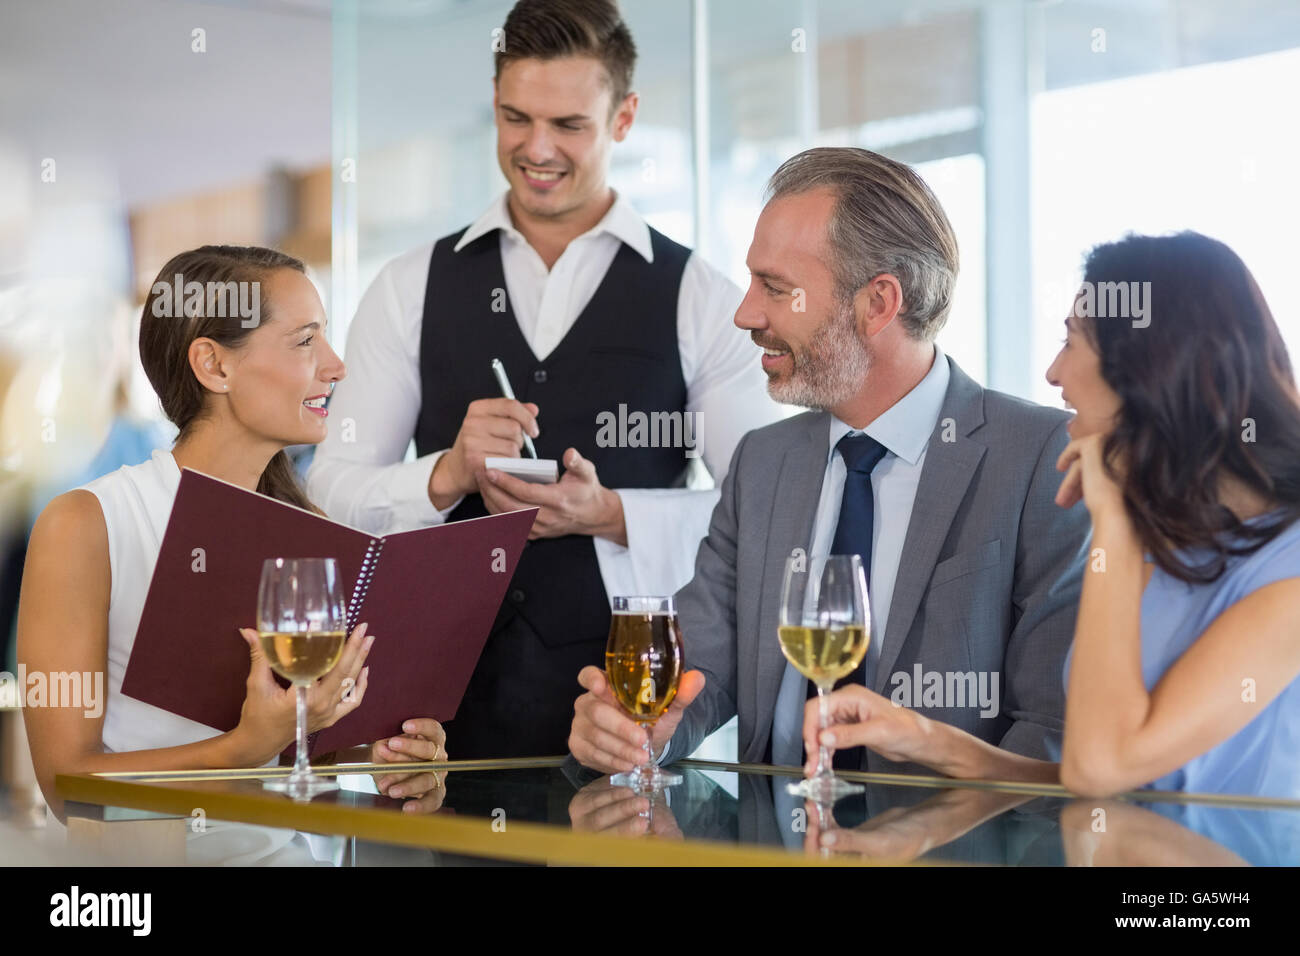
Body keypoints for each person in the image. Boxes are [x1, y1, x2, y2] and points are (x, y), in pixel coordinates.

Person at [306, 0, 775, 758]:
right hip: (427, 719)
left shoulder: (700, 296)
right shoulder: (409, 285)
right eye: (515, 118)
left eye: (569, 125)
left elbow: (769, 512)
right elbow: (328, 494)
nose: (537, 148)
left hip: (622, 714)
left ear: (624, 118)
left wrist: (612, 512)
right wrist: (444, 475)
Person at [569, 146, 1090, 774]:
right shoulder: (763, 463)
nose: (745, 314)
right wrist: (643, 730)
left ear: (879, 304)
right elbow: (701, 673)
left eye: (776, 289)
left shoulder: (1041, 458)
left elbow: (1053, 735)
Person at [798, 231, 1300, 799]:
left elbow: (1099, 769)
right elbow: (1103, 783)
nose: (1054, 373)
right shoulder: (1173, 543)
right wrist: (930, 739)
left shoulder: (1287, 579)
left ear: (1146, 365)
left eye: (1073, 342)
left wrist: (1113, 514)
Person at [17, 246, 446, 833]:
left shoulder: (312, 536)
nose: (337, 366)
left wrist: (379, 758)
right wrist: (243, 746)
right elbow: (68, 789)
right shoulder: (87, 525)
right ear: (214, 366)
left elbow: (303, 761)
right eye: (305, 341)